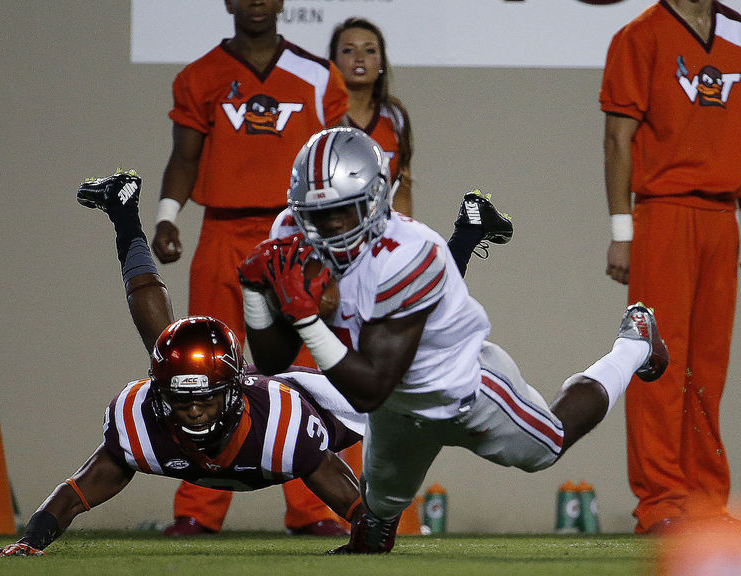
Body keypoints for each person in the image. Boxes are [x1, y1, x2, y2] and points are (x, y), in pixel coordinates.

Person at [239, 127, 670, 553]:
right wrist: (256, 294)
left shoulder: (410, 252)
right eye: (317, 214)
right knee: (378, 518)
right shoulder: (290, 230)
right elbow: (272, 360)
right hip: (394, 405)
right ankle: (376, 525)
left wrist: (305, 317)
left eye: (343, 211)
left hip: (462, 386)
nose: (329, 227)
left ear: (374, 201)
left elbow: (370, 388)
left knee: (550, 444)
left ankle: (634, 345)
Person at [0, 170, 365, 558]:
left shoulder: (283, 424)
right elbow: (76, 492)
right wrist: (28, 541)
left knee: (403, 402)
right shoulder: (141, 420)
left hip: (308, 394)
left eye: (205, 400)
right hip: (219, 387)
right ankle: (124, 215)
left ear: (235, 393)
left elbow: (354, 506)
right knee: (168, 350)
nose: (194, 413)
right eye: (181, 401)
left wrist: (368, 531)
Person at [150, 0, 349, 536]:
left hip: (293, 235)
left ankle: (315, 508)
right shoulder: (200, 76)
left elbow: (336, 161)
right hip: (221, 230)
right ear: (229, 2)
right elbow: (185, 156)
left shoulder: (318, 76)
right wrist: (168, 216)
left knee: (303, 371)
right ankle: (197, 509)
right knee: (202, 366)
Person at [600, 0, 741, 535]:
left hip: (721, 215)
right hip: (663, 213)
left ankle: (706, 503)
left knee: (708, 369)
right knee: (657, 362)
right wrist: (622, 233)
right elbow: (617, 140)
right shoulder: (639, 37)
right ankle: (660, 501)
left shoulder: (736, 31)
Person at [328, 17, 413, 216]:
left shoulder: (394, 115)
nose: (359, 57)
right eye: (348, 50)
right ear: (333, 61)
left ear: (381, 61)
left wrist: (404, 238)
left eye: (370, 50)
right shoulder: (323, 115)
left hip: (384, 231)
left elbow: (402, 185)